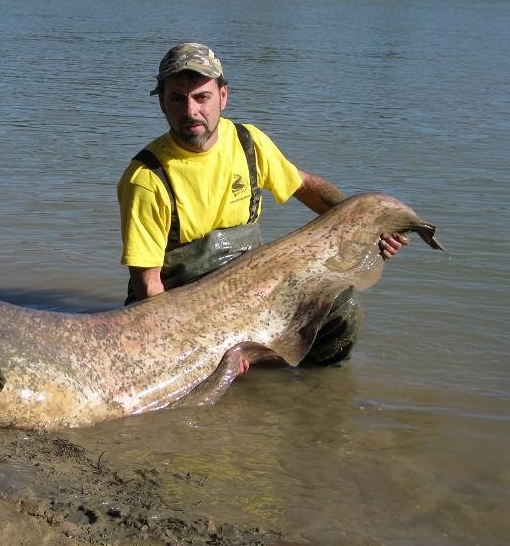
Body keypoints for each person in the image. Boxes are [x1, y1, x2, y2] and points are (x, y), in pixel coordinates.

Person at [117, 42, 408, 366]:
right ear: (161, 103)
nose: (190, 111)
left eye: (202, 96)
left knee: (342, 306)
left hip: (253, 293)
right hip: (180, 307)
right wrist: (203, 344)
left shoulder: (248, 143)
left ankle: (313, 391)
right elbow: (148, 287)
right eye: (176, 98)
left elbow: (307, 187)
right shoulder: (146, 178)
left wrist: (367, 226)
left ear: (223, 97)